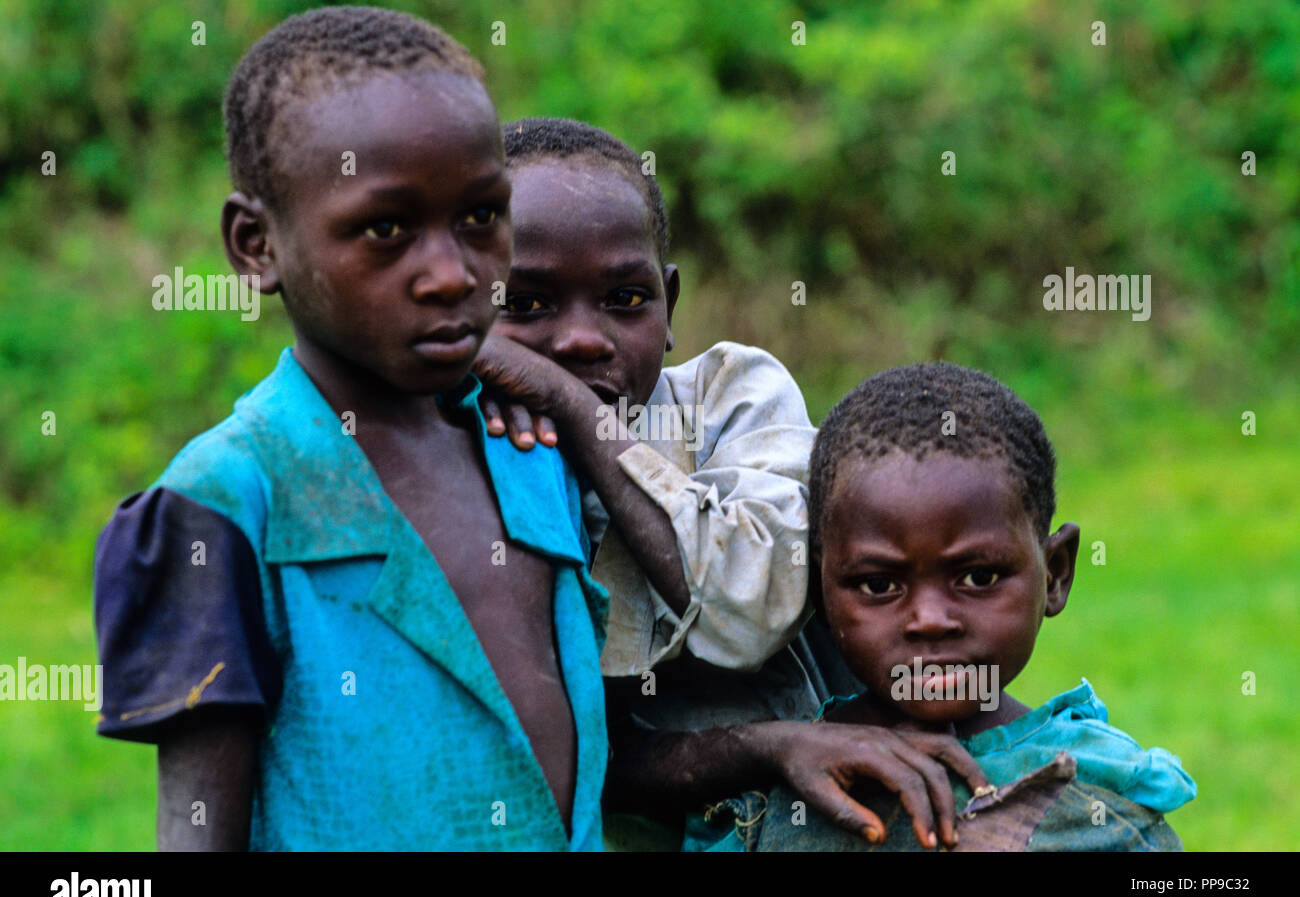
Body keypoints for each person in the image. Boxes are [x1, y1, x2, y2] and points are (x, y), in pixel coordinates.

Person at [92, 7, 608, 851]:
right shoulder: (222, 503)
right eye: (384, 229)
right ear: (256, 246)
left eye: (481, 217)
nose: (451, 274)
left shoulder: (529, 450)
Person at [471, 118, 987, 850]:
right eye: (523, 306)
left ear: (670, 304)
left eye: (625, 299)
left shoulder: (731, 400)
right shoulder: (457, 448)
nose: (584, 339)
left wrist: (579, 415)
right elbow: (552, 748)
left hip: (819, 819)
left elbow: (751, 604)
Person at [693, 362, 1197, 850]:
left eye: (978, 577)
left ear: (1055, 574)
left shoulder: (1100, 787)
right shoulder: (773, 791)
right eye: (877, 585)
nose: (930, 620)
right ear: (819, 590)